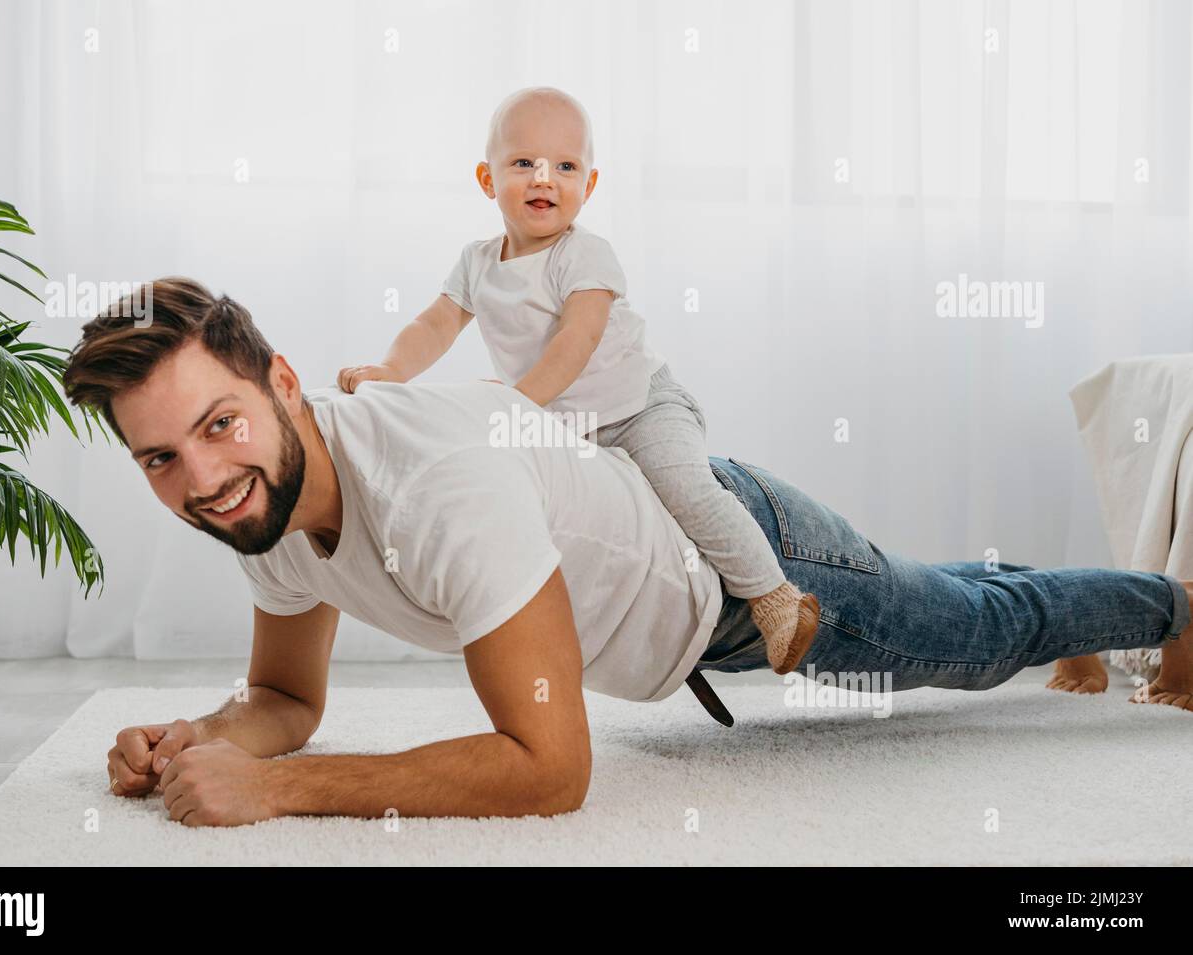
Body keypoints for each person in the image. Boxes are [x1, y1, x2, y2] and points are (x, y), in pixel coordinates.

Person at [62, 278, 1192, 828]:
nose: (201, 480)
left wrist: (275, 789)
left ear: (285, 384)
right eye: (159, 458)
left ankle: (1173, 604)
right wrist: (199, 738)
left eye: (219, 425)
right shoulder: (262, 503)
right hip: (694, 613)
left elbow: (551, 768)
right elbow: (280, 692)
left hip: (753, 580)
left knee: (976, 638)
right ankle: (1064, 599)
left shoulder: (435, 480)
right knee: (955, 598)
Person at [336, 86, 818, 676]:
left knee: (682, 485)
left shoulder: (584, 255)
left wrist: (515, 405)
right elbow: (434, 325)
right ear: (488, 180)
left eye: (565, 166)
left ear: (588, 187)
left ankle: (776, 599)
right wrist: (390, 371)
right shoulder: (477, 262)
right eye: (524, 164)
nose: (545, 178)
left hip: (639, 405)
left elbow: (575, 344)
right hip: (563, 420)